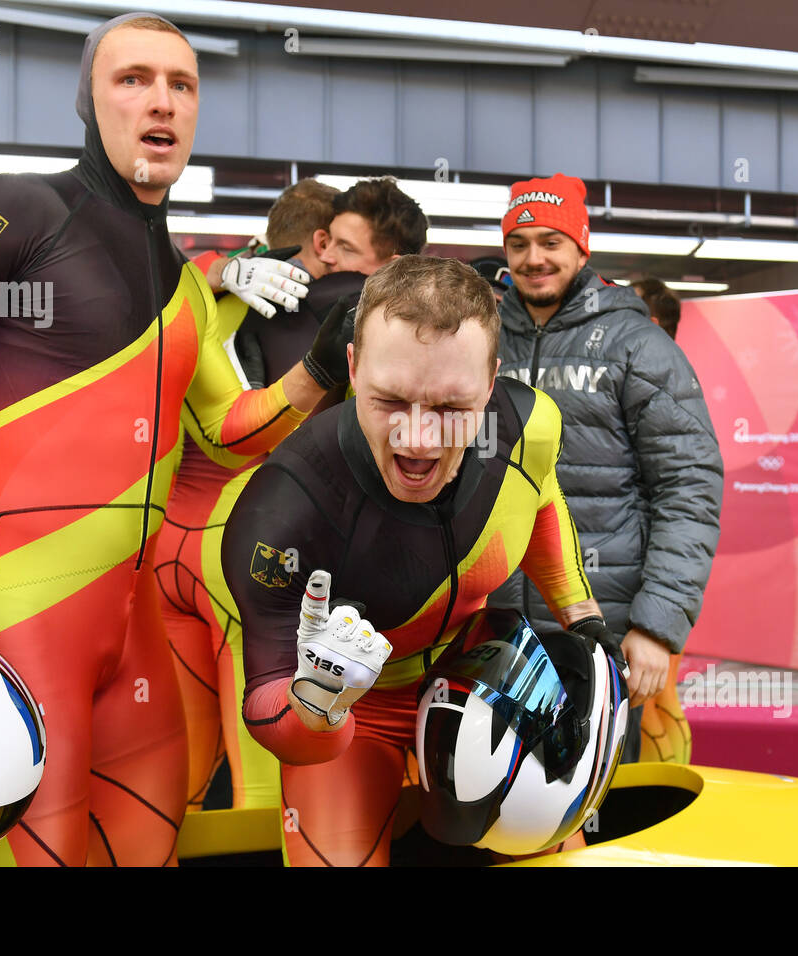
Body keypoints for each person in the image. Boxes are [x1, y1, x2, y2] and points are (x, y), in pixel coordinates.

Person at [0, 12, 341, 867]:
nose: (160, 101)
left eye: (181, 84)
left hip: (132, 645)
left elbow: (227, 433)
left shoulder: (180, 283)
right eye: (132, 79)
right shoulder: (14, 210)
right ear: (88, 100)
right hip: (9, 619)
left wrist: (323, 366)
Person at [221, 255, 628, 866]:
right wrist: (315, 701)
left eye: (449, 408)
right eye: (390, 401)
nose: (417, 440)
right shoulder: (282, 514)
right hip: (356, 719)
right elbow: (267, 711)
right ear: (354, 369)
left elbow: (540, 497)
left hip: (481, 678)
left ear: (492, 380)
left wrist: (582, 616)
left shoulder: (528, 424)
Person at [155, 176, 426, 811]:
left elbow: (162, 280)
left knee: (174, 780)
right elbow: (235, 435)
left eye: (345, 253)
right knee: (267, 786)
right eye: (327, 247)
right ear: (313, 238)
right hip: (254, 555)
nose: (330, 264)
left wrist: (217, 270)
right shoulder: (353, 318)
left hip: (176, 547)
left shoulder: (219, 295)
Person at [488, 174, 723, 766]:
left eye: (550, 242)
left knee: (599, 803)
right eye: (519, 244)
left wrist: (657, 628)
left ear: (581, 247)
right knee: (503, 799)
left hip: (602, 628)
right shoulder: (479, 340)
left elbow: (689, 487)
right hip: (492, 625)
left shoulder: (636, 345)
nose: (534, 258)